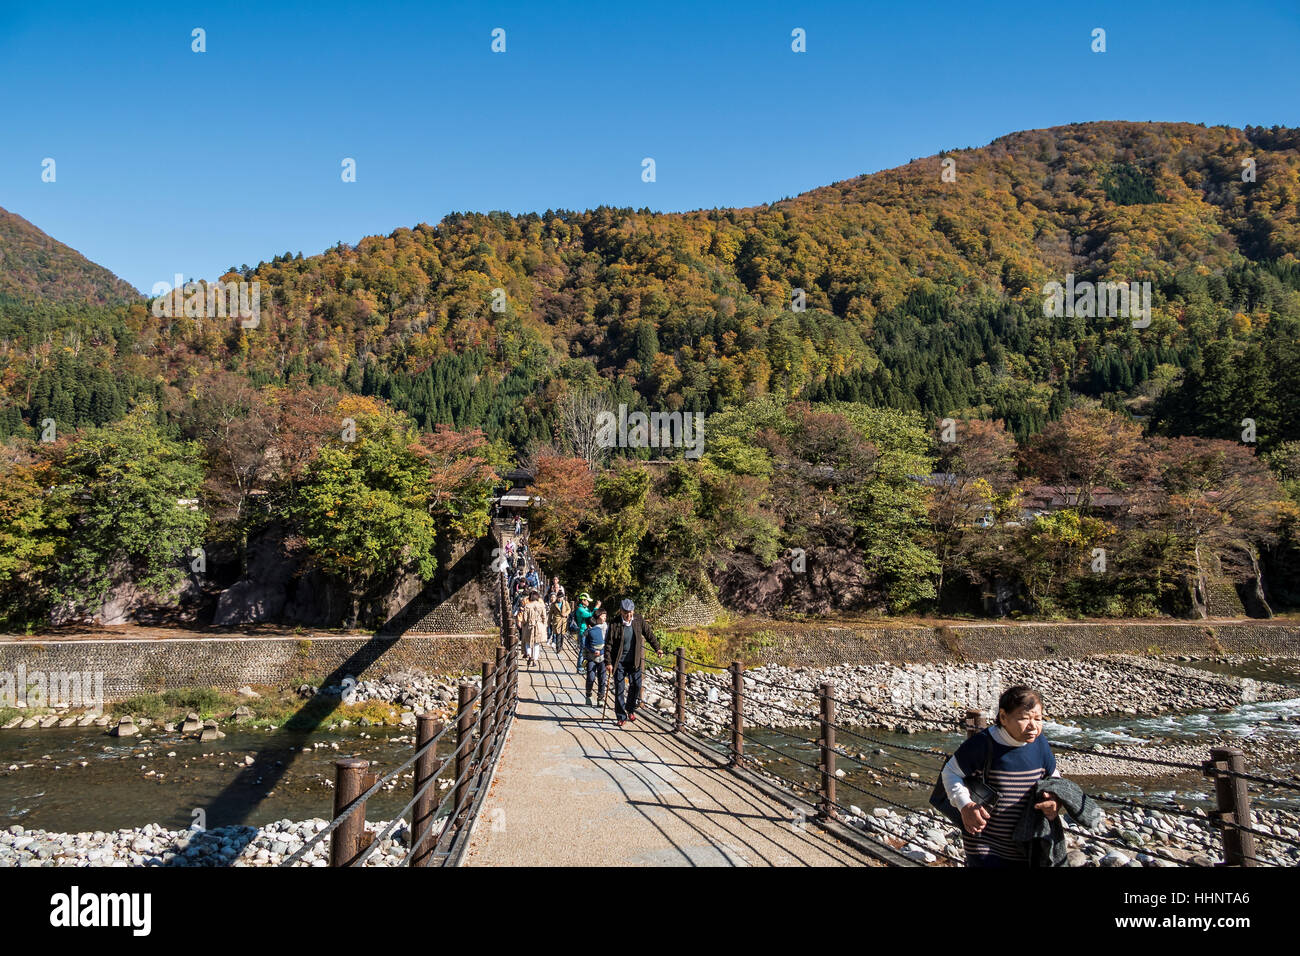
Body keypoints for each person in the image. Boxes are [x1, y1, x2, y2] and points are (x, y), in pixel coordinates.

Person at [940, 685, 1060, 867]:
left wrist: (1054, 799)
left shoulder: (1040, 743)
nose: (1033, 726)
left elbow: (1053, 777)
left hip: (1027, 842)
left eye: (1038, 718)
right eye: (1024, 718)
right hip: (985, 844)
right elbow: (951, 772)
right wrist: (965, 805)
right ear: (1003, 717)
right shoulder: (983, 743)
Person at [604, 599, 661, 728]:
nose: (628, 616)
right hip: (619, 662)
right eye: (625, 613)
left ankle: (630, 709)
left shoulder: (638, 620)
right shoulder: (614, 623)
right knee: (619, 689)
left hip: (634, 661)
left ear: (633, 611)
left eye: (630, 613)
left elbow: (649, 634)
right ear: (621, 611)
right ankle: (621, 716)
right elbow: (608, 644)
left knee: (636, 685)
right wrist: (608, 662)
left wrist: (657, 648)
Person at [582, 609, 608, 707]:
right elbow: (586, 643)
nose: (605, 617)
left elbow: (608, 643)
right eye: (603, 616)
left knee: (602, 678)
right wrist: (593, 651)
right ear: (597, 617)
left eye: (605, 616)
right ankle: (588, 695)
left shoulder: (606, 628)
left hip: (603, 657)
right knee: (591, 677)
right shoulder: (590, 629)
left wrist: (601, 651)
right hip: (591, 657)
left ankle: (600, 698)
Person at [518, 589, 548, 669]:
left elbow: (524, 618)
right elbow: (544, 617)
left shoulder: (527, 606)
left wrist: (524, 624)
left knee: (528, 641)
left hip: (529, 625)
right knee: (536, 643)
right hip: (538, 625)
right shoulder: (541, 605)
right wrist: (544, 625)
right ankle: (534, 659)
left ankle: (529, 654)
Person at [573, 593, 600, 674]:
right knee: (582, 650)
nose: (588, 602)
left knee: (587, 650)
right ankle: (579, 668)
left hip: (587, 631)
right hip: (583, 632)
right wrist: (596, 607)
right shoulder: (580, 610)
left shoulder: (585, 608)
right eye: (587, 600)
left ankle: (584, 667)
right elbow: (589, 615)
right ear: (583, 600)